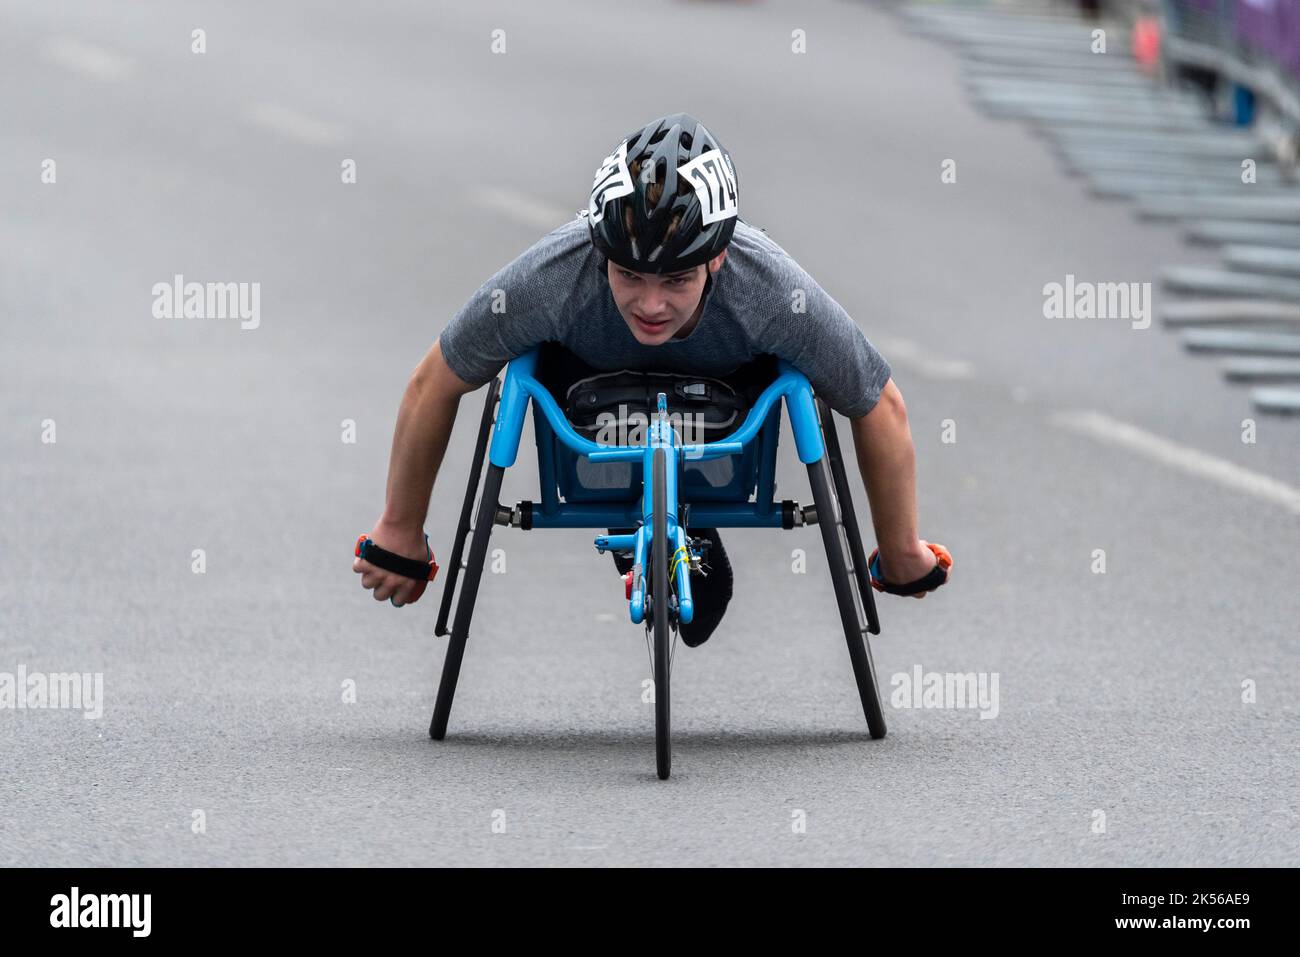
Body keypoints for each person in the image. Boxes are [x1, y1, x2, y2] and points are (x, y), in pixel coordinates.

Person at [354, 112, 951, 645]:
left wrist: (901, 550)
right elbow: (434, 382)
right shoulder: (550, 278)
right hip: (591, 418)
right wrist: (399, 530)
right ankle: (641, 522)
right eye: (628, 275)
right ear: (598, 248)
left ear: (719, 256)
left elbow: (878, 404)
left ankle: (688, 527)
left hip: (724, 422)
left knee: (704, 605)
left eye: (677, 280)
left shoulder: (772, 290)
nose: (651, 304)